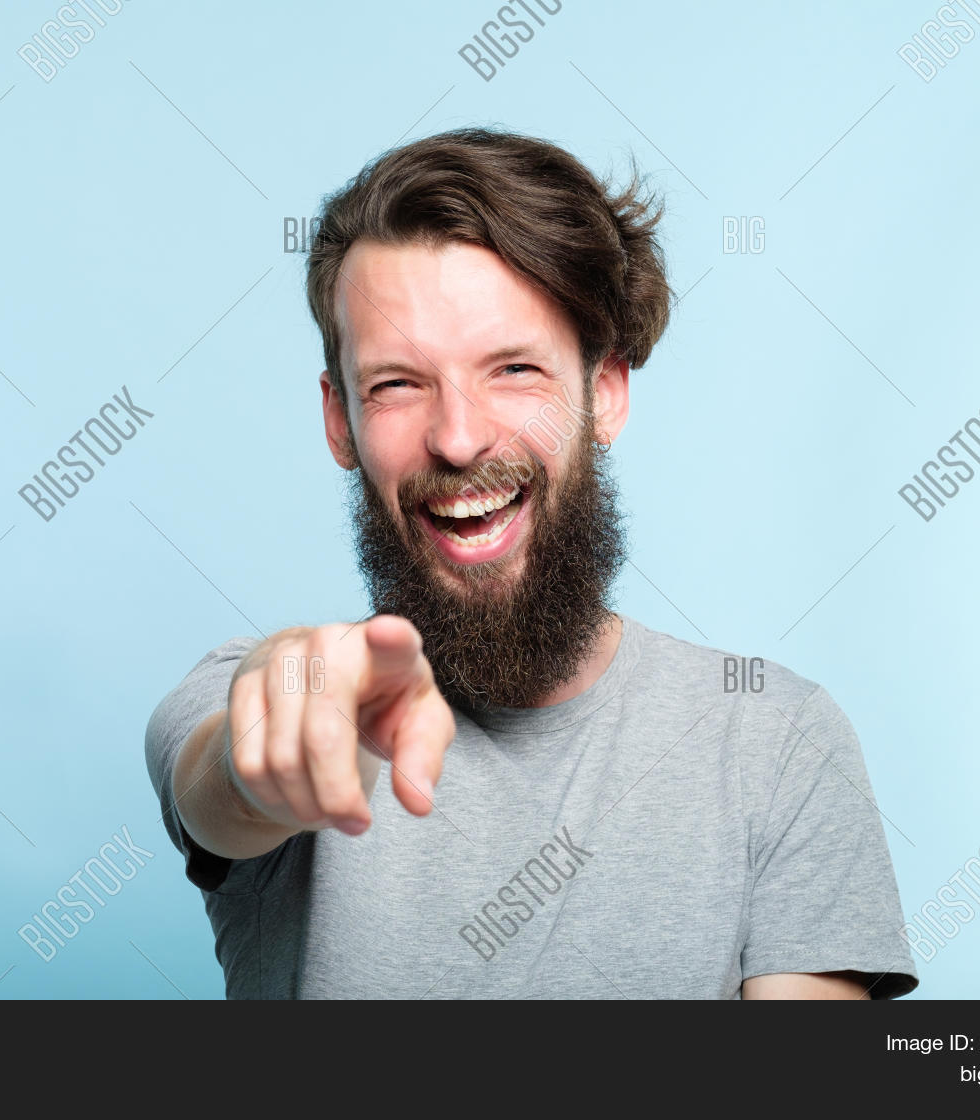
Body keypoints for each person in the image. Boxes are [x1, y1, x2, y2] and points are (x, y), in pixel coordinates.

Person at [145, 127, 918, 999]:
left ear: (606, 393)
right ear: (340, 422)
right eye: (397, 383)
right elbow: (229, 784)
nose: (459, 436)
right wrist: (272, 744)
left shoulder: (778, 740)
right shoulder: (242, 694)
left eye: (514, 369)